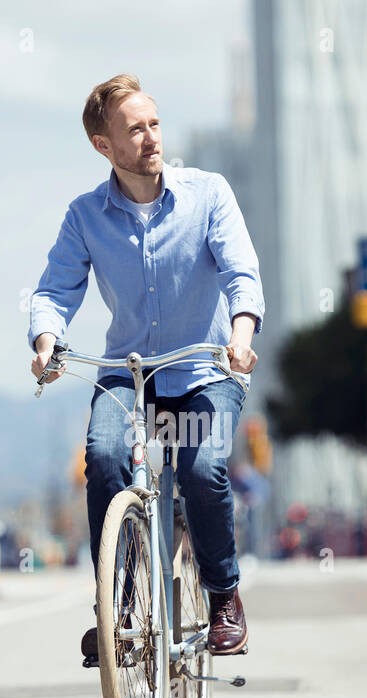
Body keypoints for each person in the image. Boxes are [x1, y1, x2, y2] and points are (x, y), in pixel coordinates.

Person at [27, 73, 264, 659]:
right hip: (130, 375)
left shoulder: (208, 193)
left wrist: (240, 336)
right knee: (105, 458)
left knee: (203, 468)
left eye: (155, 124)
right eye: (135, 130)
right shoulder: (85, 217)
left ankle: (223, 595)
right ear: (104, 146)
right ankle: (119, 604)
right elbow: (55, 290)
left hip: (207, 369)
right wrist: (45, 341)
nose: (152, 138)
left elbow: (241, 274)